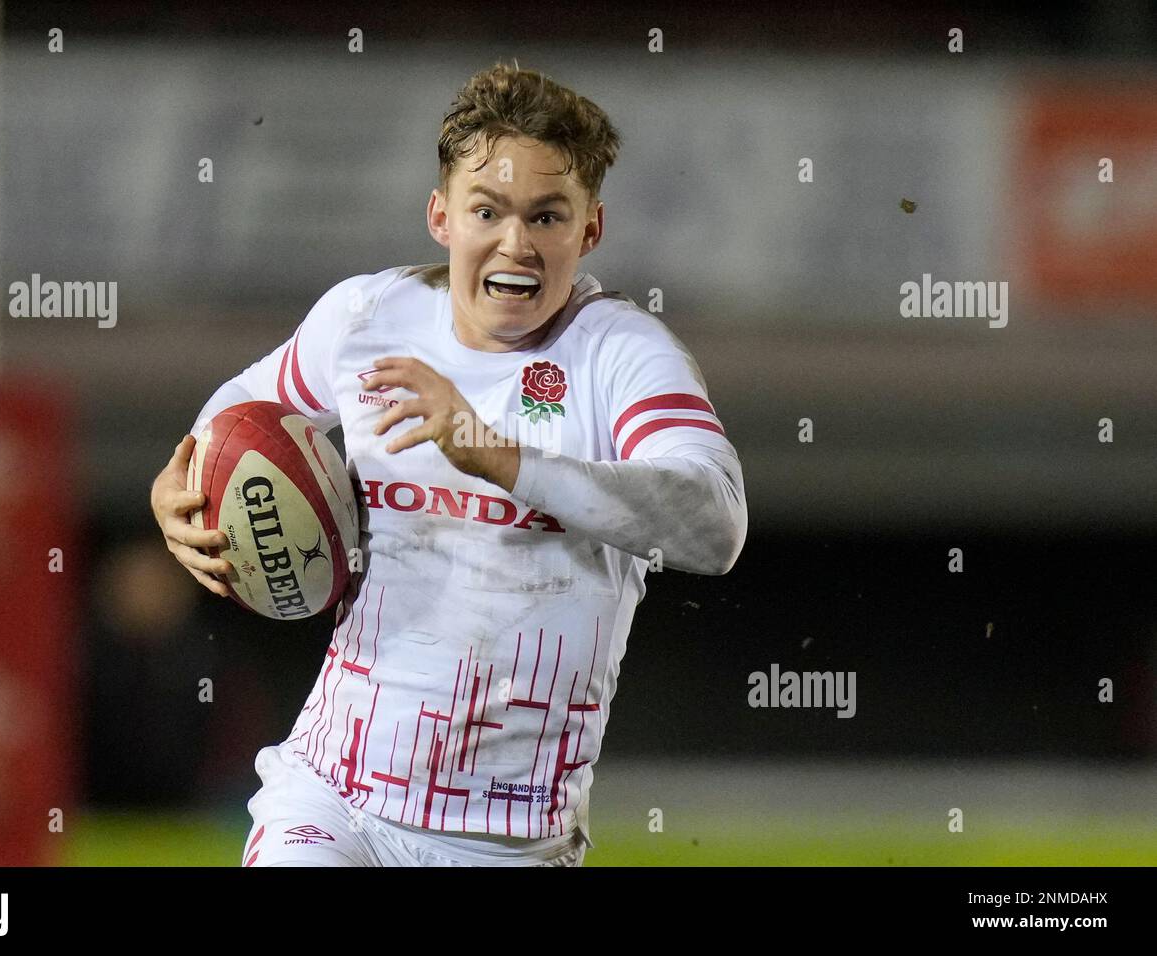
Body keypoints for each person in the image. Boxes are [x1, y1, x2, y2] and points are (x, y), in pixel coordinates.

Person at [150, 63, 747, 867]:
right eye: (488, 211)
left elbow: (715, 525)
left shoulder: (622, 356)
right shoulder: (368, 317)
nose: (516, 242)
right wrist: (176, 491)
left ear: (590, 230)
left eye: (547, 216)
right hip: (334, 794)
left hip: (508, 837)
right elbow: (231, 421)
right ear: (441, 215)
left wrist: (496, 456)